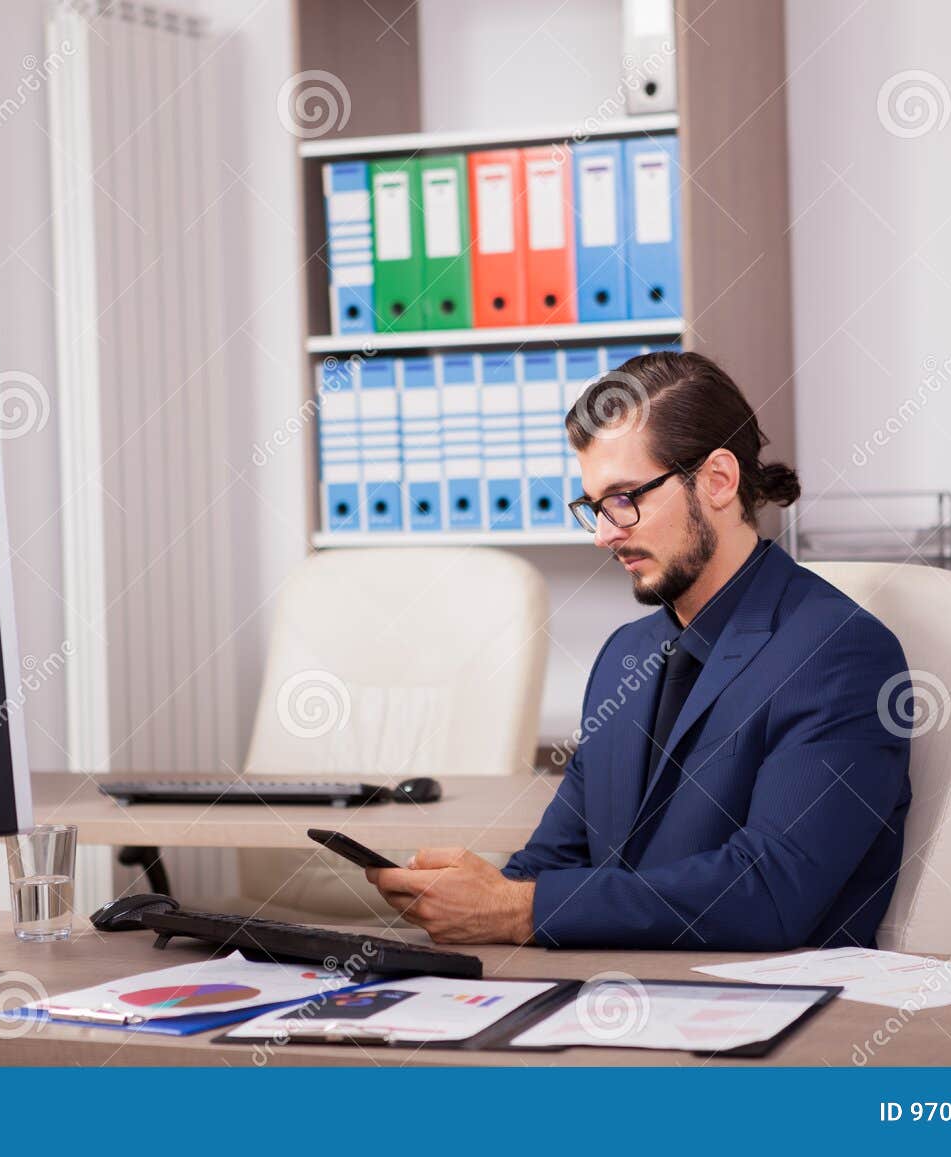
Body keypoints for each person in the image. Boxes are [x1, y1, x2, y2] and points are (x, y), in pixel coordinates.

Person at [368, 350, 913, 950]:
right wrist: (473, 891)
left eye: (626, 498)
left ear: (718, 480)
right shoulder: (626, 656)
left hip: (763, 1014)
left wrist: (515, 908)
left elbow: (771, 894)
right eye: (595, 507)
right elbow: (560, 858)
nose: (604, 533)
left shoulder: (839, 653)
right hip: (612, 999)